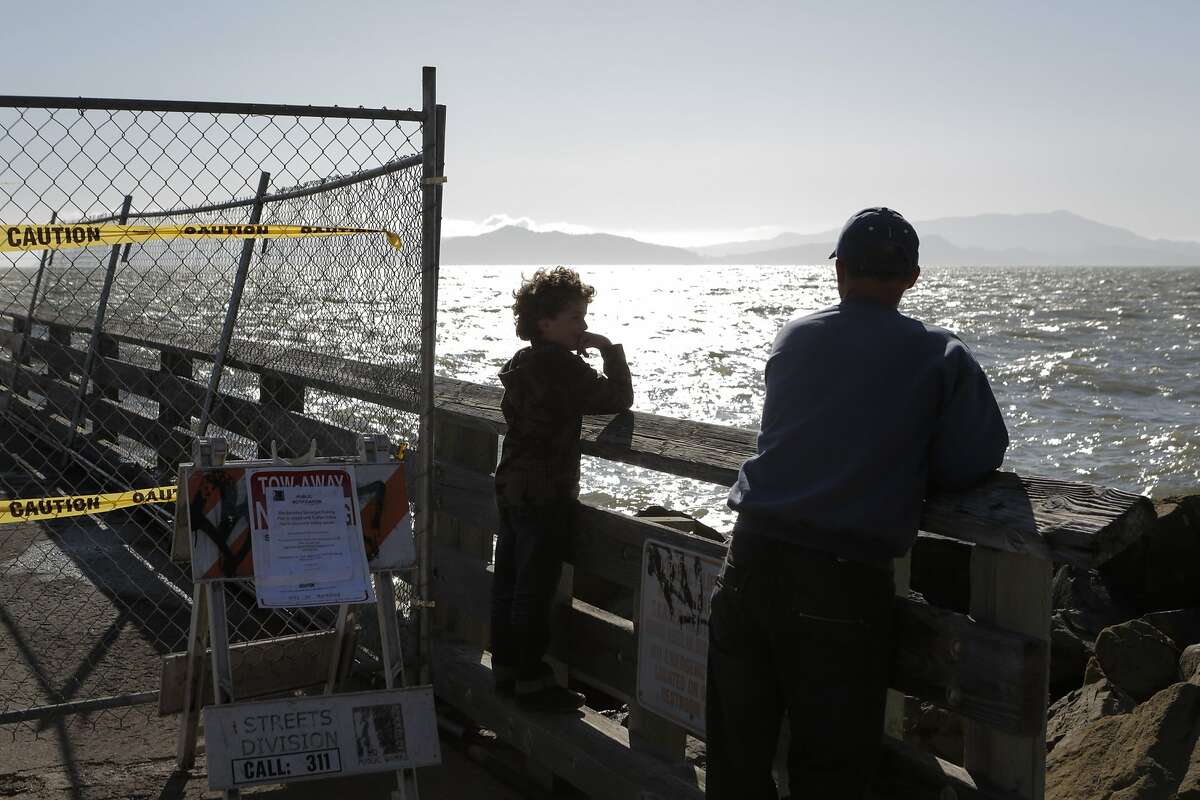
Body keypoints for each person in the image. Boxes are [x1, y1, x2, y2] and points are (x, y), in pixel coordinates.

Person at [705, 207, 1009, 798]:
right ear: (912, 278)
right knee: (832, 770)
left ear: (839, 270)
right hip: (841, 580)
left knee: (736, 757)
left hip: (749, 559)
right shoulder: (940, 355)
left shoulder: (795, 335)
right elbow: (973, 460)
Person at [491, 266, 634, 712]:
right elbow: (617, 399)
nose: (584, 326)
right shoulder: (562, 367)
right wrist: (610, 350)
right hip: (546, 491)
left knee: (510, 581)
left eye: (584, 317)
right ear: (544, 322)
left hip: (512, 484)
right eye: (575, 317)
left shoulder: (522, 362)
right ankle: (532, 677)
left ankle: (507, 667)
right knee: (535, 586)